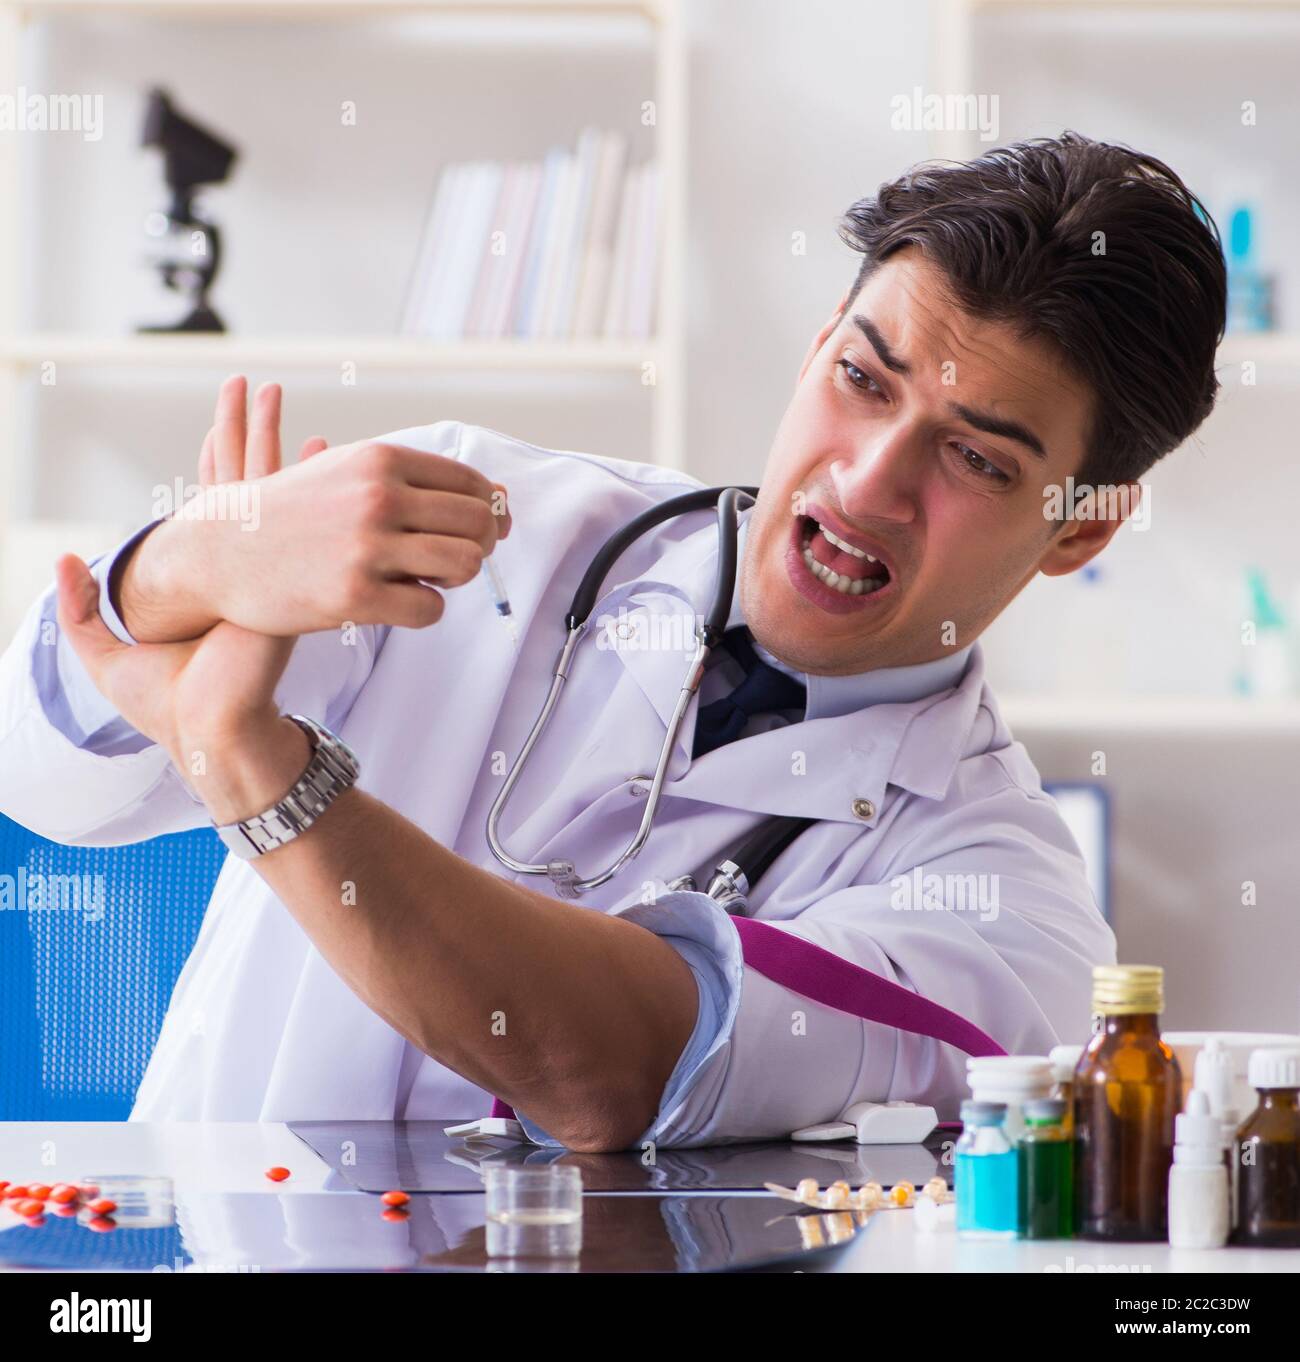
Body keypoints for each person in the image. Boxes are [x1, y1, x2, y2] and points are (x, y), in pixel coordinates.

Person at [0, 132, 1226, 1150]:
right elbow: (47, 774)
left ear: (1079, 530)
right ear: (814, 347)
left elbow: (615, 1070)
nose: (866, 479)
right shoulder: (478, 512)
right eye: (863, 378)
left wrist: (257, 767)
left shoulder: (1010, 915)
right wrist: (199, 559)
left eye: (973, 456)